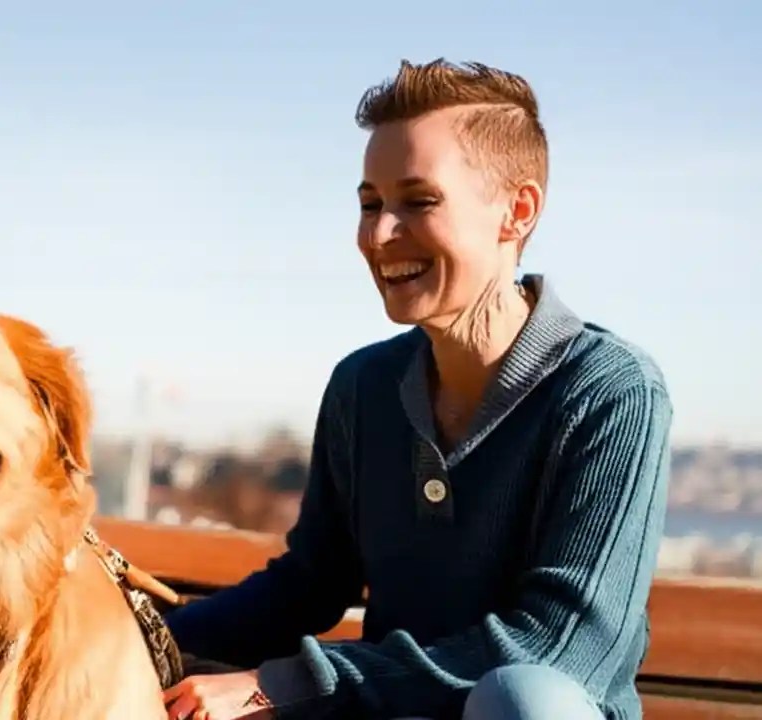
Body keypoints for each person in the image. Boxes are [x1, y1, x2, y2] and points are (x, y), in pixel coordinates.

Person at [161, 58, 673, 720]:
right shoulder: (362, 386)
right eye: (370, 204)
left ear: (517, 212)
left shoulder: (610, 392)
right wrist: (141, 632)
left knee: (524, 697)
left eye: (418, 201)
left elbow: (557, 646)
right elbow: (309, 586)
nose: (379, 234)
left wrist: (280, 685)